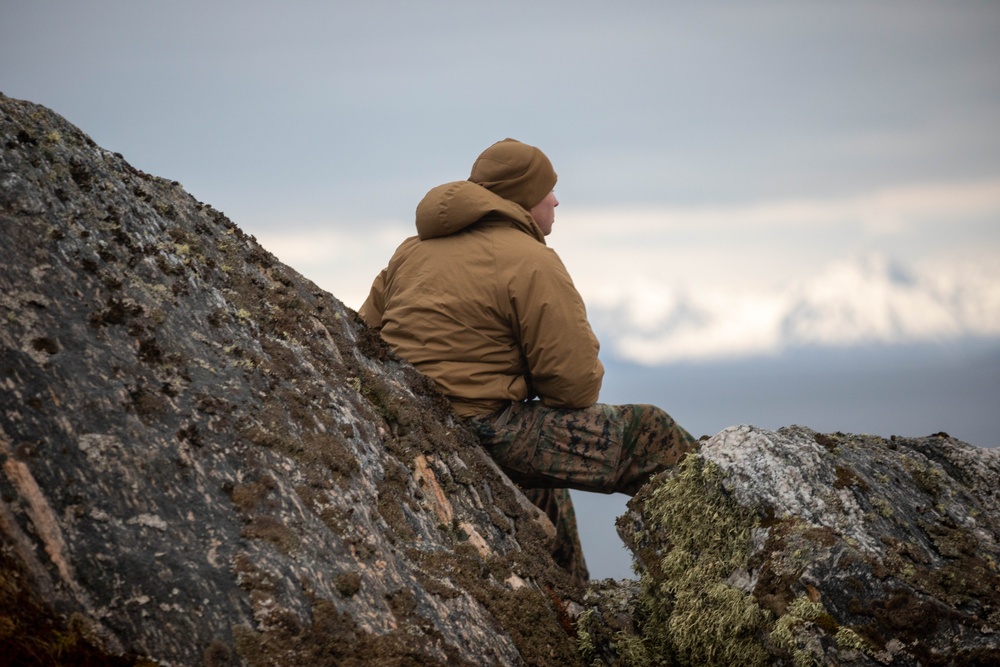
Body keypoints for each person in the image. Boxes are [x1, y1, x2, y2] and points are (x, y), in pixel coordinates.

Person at [359, 138, 698, 586]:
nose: (555, 200)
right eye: (546, 190)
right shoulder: (531, 260)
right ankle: (718, 559)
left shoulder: (410, 250)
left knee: (542, 483)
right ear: (520, 198)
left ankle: (569, 595)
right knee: (649, 434)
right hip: (479, 426)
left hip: (412, 415)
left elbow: (362, 334)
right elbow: (575, 388)